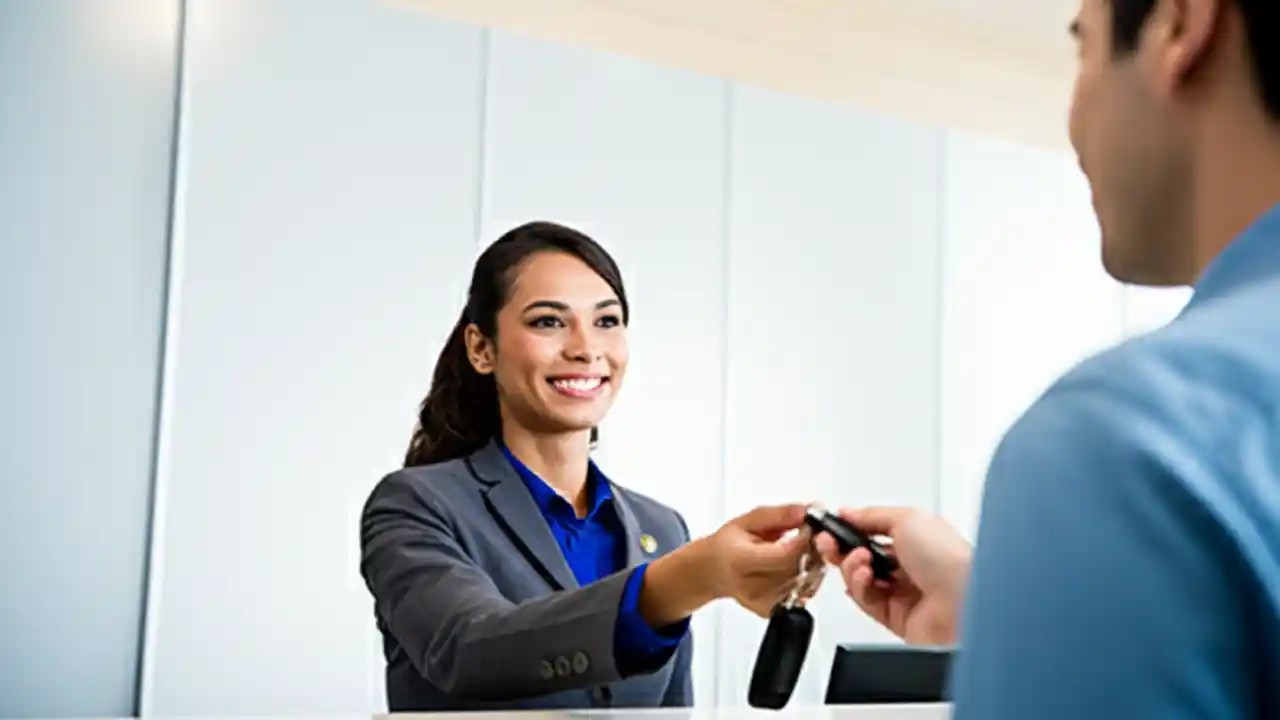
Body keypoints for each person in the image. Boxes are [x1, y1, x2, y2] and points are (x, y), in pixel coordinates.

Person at [818, 0, 1280, 716]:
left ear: (1180, 26)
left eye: (1083, 51)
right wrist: (1023, 610)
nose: (1072, 125)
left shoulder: (1129, 442)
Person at [359, 220, 816, 713]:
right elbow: (468, 648)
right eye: (548, 321)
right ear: (481, 348)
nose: (585, 348)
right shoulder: (416, 505)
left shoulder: (660, 528)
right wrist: (690, 578)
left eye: (607, 320)